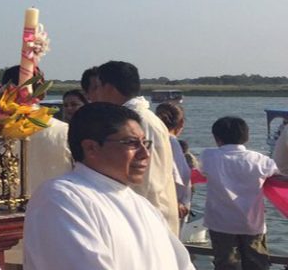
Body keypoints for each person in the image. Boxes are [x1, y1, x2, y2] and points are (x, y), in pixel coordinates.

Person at [23, 102, 193, 269]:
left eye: (145, 143)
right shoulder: (61, 199)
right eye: (131, 143)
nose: (145, 153)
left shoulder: (143, 206)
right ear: (91, 148)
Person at [85, 60, 180, 233]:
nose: (94, 94)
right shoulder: (140, 118)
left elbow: (147, 180)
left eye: (97, 87)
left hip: (145, 217)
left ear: (109, 88)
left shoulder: (138, 122)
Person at [0, 66, 70, 267]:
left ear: (5, 89)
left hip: (3, 234)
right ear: (43, 91)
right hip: (57, 232)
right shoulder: (65, 132)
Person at [199, 116, 281, 270]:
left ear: (217, 138)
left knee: (225, 264)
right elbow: (277, 172)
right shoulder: (260, 160)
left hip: (220, 223)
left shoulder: (209, 156)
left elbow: (200, 170)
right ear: (246, 137)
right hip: (252, 223)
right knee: (257, 264)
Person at [155, 101, 192, 222]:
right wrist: (176, 202)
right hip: (172, 204)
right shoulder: (171, 142)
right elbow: (176, 177)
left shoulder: (154, 139)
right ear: (181, 123)